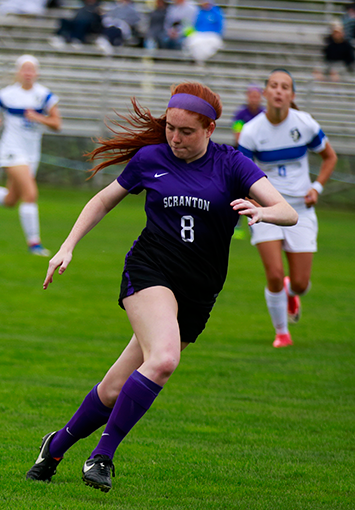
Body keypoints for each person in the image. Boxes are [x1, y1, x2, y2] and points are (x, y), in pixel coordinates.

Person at [24, 82, 297, 493]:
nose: (174, 138)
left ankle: (56, 444)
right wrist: (66, 246)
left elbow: (288, 212)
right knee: (164, 360)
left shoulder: (232, 164)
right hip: (150, 272)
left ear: (209, 129)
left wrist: (264, 211)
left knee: (117, 387)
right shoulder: (151, 158)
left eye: (186, 131)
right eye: (170, 127)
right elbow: (102, 200)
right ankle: (102, 456)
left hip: (199, 293)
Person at [238, 69, 337, 348]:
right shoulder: (251, 131)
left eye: (285, 87)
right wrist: (255, 202)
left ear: (292, 95)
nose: (279, 91)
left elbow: (330, 157)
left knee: (301, 283)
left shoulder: (304, 123)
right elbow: (239, 171)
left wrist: (316, 188)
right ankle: (282, 333)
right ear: (266, 92)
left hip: (300, 209)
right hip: (266, 209)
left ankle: (292, 293)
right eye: (274, 85)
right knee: (273, 273)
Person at [0, 55, 61, 257]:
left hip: (31, 153)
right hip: (11, 150)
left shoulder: (44, 95)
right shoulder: (7, 94)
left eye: (31, 69)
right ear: (18, 72)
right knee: (30, 194)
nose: (28, 73)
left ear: (37, 73)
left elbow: (57, 124)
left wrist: (38, 117)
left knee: (11, 200)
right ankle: (34, 243)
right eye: (24, 69)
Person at [230, 84, 265, 239]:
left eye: (256, 95)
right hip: (243, 157)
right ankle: (236, 224)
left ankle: (257, 220)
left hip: (259, 157)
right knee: (238, 192)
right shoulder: (240, 115)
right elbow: (237, 135)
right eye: (251, 95)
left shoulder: (264, 114)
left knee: (257, 192)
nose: (254, 98)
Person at [182, 0, 223, 64]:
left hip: (212, 34)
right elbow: (195, 25)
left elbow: (219, 26)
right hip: (200, 34)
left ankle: (201, 60)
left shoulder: (216, 12)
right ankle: (198, 60)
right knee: (193, 41)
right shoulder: (199, 12)